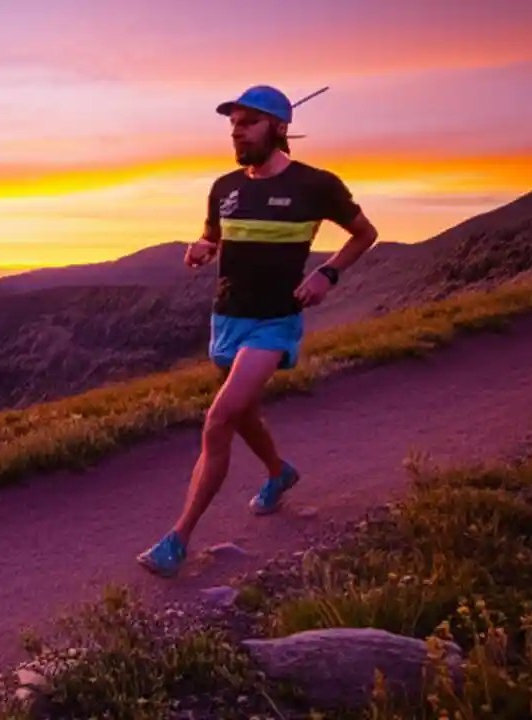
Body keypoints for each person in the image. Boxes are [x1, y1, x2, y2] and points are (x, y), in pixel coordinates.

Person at [137, 85, 379, 577]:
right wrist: (200, 249)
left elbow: (364, 234)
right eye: (233, 124)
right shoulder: (225, 188)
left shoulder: (317, 186)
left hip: (274, 320)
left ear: (280, 127)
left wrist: (326, 273)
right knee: (243, 412)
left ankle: (178, 538)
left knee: (219, 419)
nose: (237, 130)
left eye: (248, 121)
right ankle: (279, 472)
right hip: (226, 318)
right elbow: (213, 237)